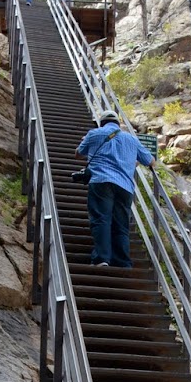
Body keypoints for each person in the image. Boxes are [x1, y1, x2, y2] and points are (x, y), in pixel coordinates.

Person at [75, 114, 155, 270]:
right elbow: (151, 161)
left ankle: (101, 258)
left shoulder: (94, 133)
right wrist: (130, 163)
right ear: (118, 124)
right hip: (125, 186)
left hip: (101, 181)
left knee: (101, 219)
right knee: (121, 225)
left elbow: (78, 153)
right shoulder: (132, 139)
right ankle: (122, 261)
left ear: (101, 123)